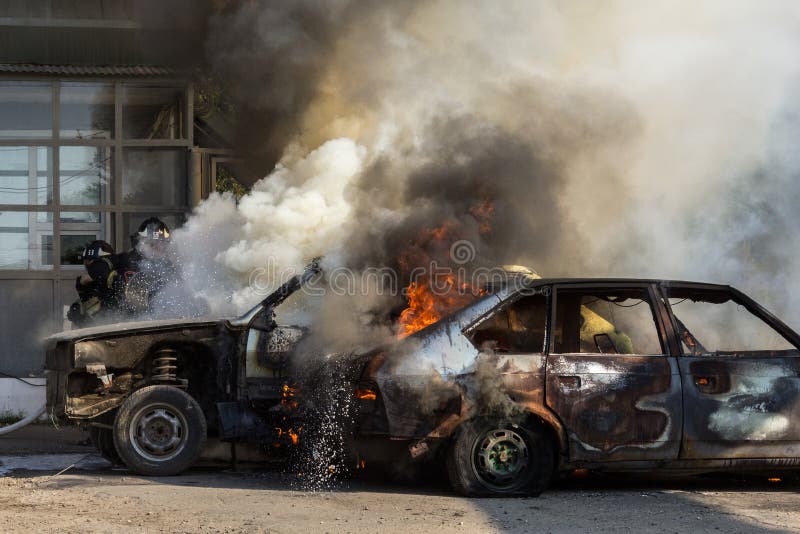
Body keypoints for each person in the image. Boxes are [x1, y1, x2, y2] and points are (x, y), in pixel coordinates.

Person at [117, 217, 178, 314]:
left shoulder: (169, 265)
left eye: (163, 242)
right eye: (153, 244)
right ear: (142, 242)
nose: (159, 247)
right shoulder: (127, 261)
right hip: (133, 319)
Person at [66, 240, 125, 327]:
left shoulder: (112, 266)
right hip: (109, 321)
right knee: (76, 309)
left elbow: (89, 277)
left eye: (89, 261)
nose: (86, 265)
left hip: (118, 317)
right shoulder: (115, 266)